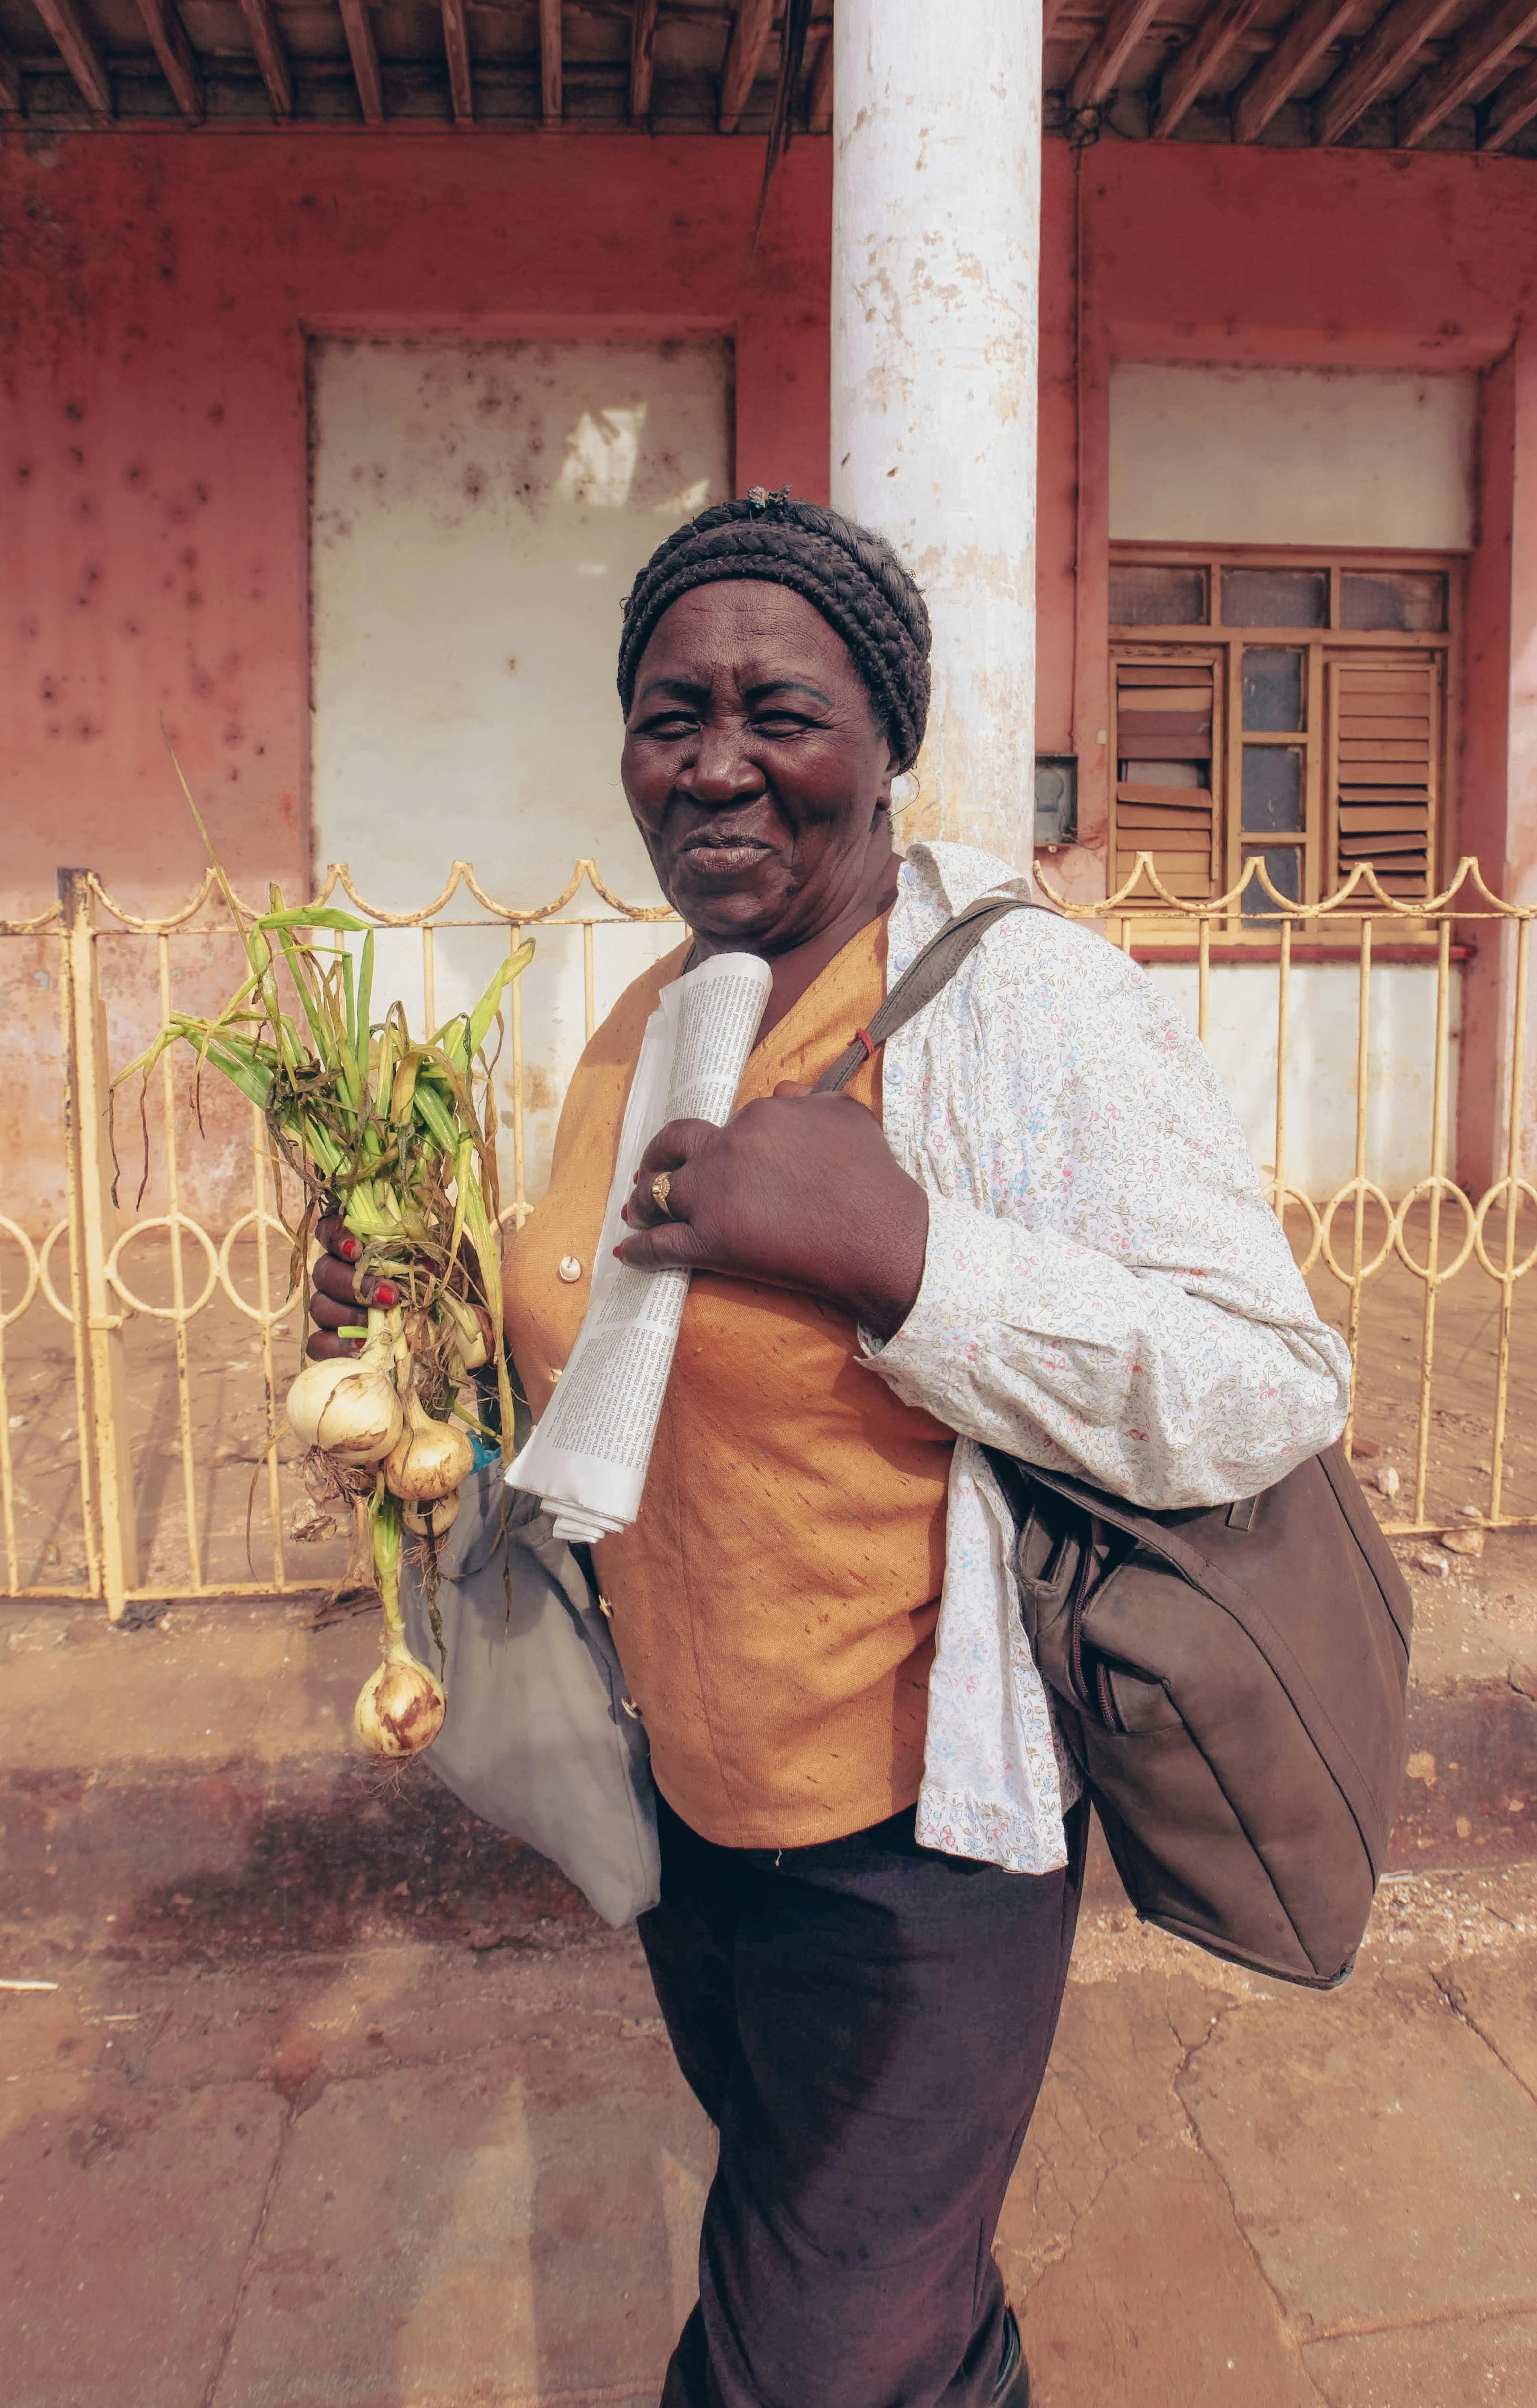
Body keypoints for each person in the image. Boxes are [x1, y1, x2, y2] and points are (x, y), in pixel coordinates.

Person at [309, 493, 1351, 2408]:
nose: (716, 763)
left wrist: (910, 1258)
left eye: (779, 710)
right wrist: (404, 1347)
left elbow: (1266, 1381)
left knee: (792, 2357)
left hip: (919, 1858)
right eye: (667, 711)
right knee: (885, 2303)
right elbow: (609, 1391)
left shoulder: (1018, 1007)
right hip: (691, 1828)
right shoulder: (646, 1010)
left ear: (886, 743)